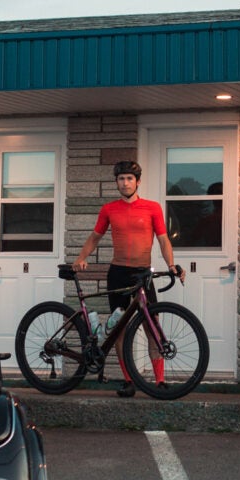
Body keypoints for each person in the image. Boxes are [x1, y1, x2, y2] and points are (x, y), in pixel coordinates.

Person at [73, 160, 185, 397]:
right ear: (117, 182)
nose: (125, 183)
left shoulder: (152, 207)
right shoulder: (109, 209)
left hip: (143, 274)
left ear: (138, 182)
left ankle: (160, 380)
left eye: (129, 178)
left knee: (152, 324)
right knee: (119, 329)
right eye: (121, 178)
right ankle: (127, 380)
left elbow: (164, 240)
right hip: (118, 273)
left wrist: (172, 265)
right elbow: (95, 237)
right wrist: (81, 257)